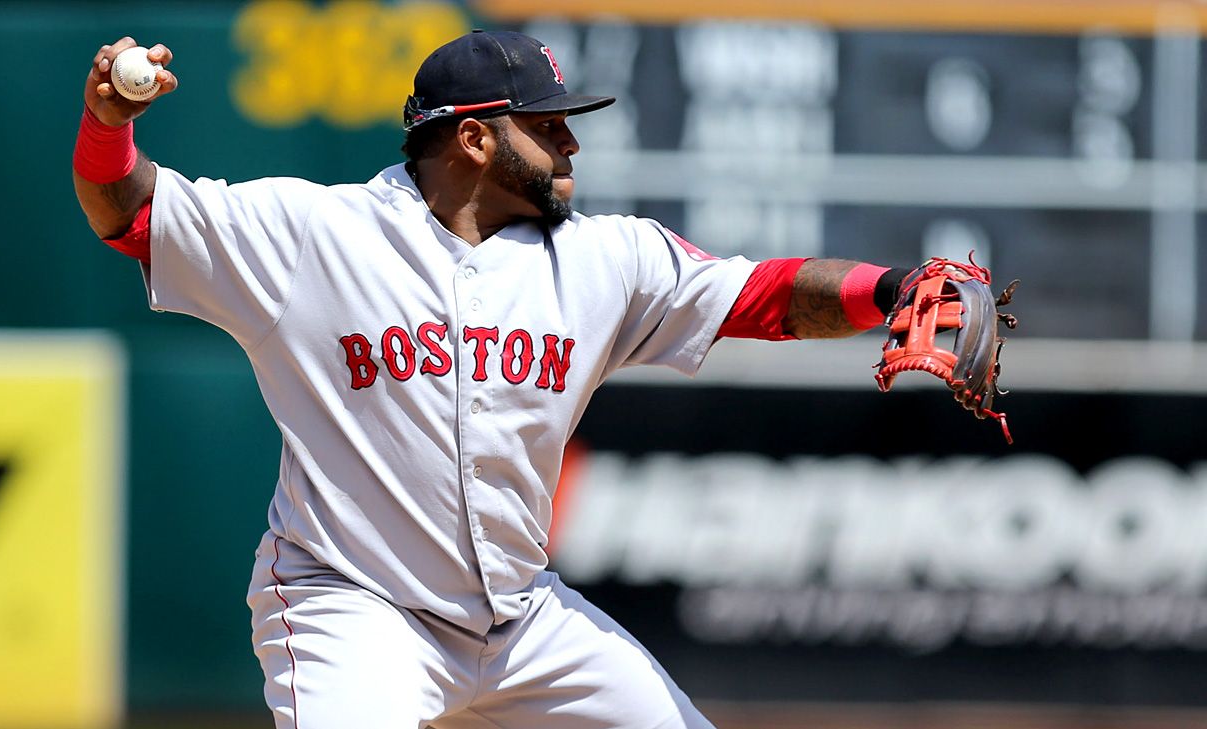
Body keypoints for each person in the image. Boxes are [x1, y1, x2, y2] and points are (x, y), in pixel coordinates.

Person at [74, 30, 909, 729]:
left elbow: (762, 296)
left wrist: (892, 290)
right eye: (549, 125)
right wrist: (107, 121)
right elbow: (128, 210)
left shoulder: (603, 258)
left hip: (521, 615)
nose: (572, 142)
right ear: (475, 139)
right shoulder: (315, 235)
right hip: (355, 605)